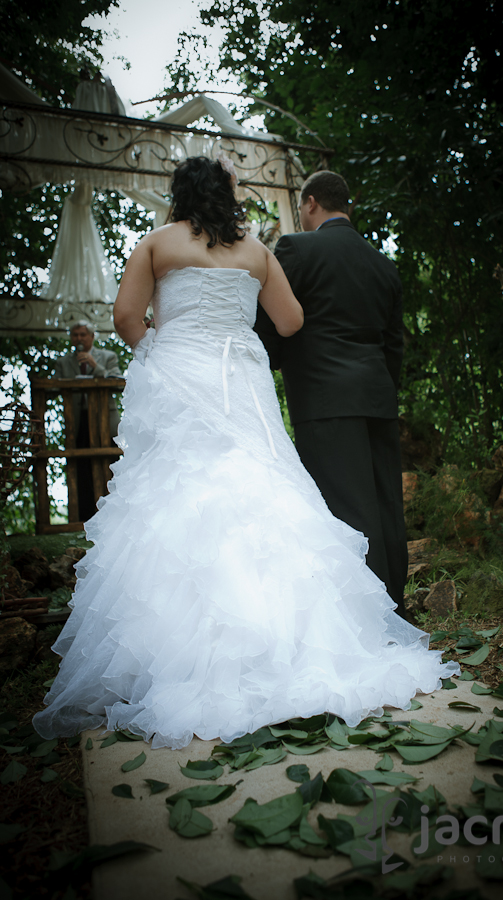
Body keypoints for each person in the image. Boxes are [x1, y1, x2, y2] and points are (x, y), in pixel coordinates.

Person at [33, 156, 457, 750]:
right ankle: (301, 641)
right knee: (264, 487)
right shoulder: (256, 250)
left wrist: (162, 343)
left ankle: (177, 652)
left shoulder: (156, 244)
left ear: (179, 194)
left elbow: (127, 317)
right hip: (242, 382)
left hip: (182, 374)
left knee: (181, 490)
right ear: (228, 197)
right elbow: (289, 322)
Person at [255, 170, 409, 617]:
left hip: (324, 397)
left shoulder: (297, 248)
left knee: (345, 506)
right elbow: (393, 343)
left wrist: (269, 361)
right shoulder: (382, 264)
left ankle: (364, 615)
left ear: (309, 203)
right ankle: (394, 604)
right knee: (385, 504)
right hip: (377, 395)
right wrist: (382, 390)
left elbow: (274, 320)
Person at [53, 321, 122, 521]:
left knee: (109, 465)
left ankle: (113, 515)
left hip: (104, 420)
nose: (79, 339)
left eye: (83, 334)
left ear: (92, 337)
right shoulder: (63, 362)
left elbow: (118, 383)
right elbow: (53, 387)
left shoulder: (108, 357)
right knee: (81, 467)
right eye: (75, 335)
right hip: (78, 420)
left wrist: (95, 366)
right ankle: (84, 517)